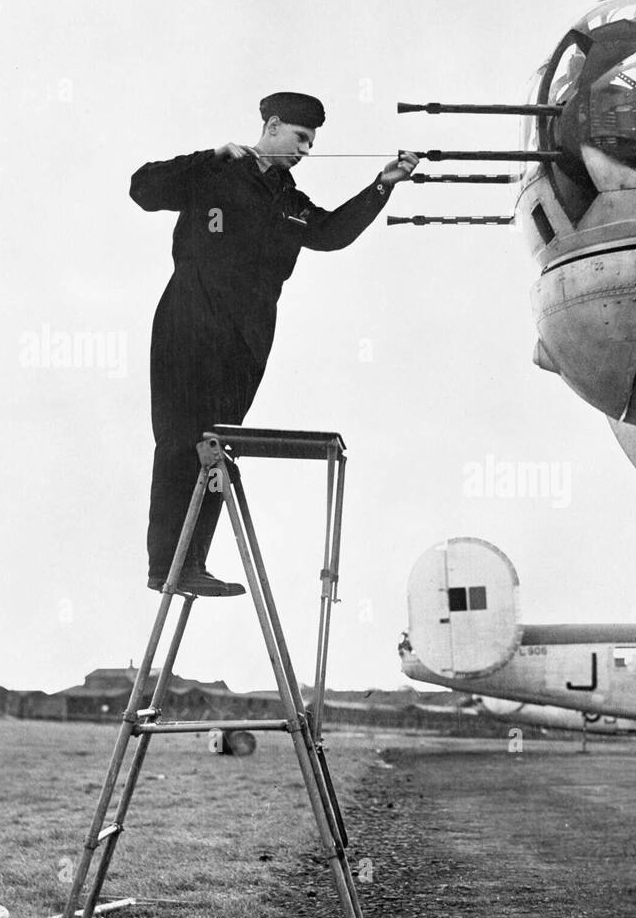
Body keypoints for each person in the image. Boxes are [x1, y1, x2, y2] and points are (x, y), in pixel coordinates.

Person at [130, 91, 419, 596]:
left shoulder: (288, 200)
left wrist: (381, 186)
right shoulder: (213, 173)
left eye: (311, 143)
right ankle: (165, 566)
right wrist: (208, 155)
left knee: (215, 448)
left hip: (245, 339)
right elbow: (143, 188)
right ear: (274, 124)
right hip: (189, 321)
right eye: (301, 138)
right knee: (179, 441)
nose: (306, 150)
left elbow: (330, 233)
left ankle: (190, 565)